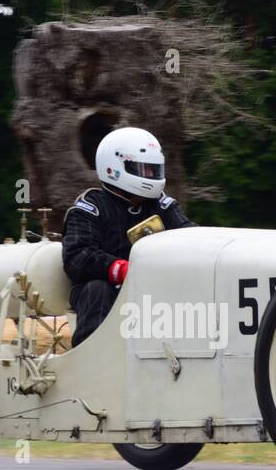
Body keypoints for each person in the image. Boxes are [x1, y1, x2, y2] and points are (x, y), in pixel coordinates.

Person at [61, 127, 194, 346]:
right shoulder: (90, 206)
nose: (151, 176)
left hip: (154, 286)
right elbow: (77, 257)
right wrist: (119, 269)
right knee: (97, 289)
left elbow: (190, 238)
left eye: (154, 170)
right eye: (144, 170)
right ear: (114, 168)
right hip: (105, 290)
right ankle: (92, 359)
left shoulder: (163, 205)